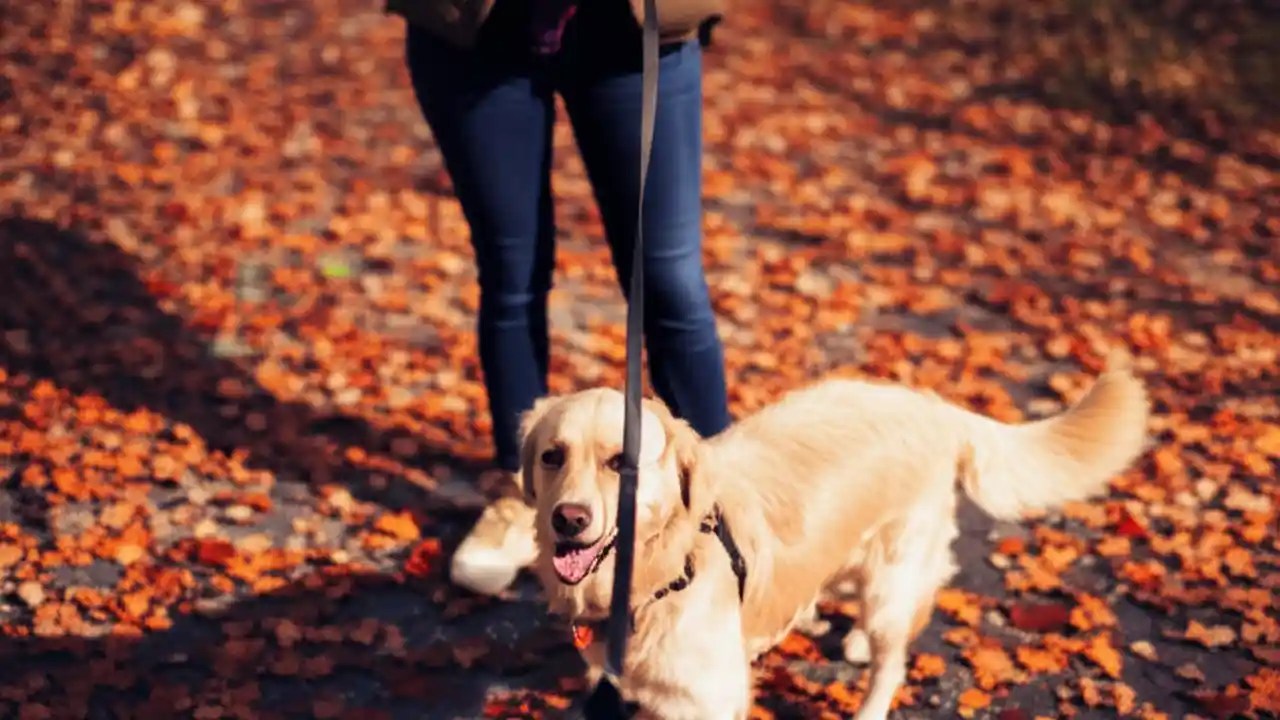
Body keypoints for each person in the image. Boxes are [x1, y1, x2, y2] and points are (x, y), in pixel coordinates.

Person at [387, 0, 732, 595]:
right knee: (510, 276)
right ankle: (523, 496)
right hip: (475, 32)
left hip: (634, 29)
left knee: (668, 281)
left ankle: (724, 507)